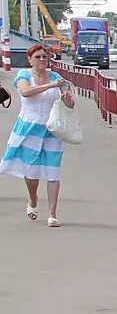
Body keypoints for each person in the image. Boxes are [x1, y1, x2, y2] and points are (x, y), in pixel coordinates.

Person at [1, 43, 76, 227]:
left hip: (52, 129)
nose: (42, 60)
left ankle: (52, 214)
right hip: (28, 128)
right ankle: (33, 199)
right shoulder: (24, 75)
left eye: (44, 56)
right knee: (32, 172)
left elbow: (70, 104)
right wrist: (50, 85)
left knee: (53, 172)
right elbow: (26, 92)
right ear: (30, 60)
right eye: (38, 57)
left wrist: (67, 99)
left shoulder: (57, 77)